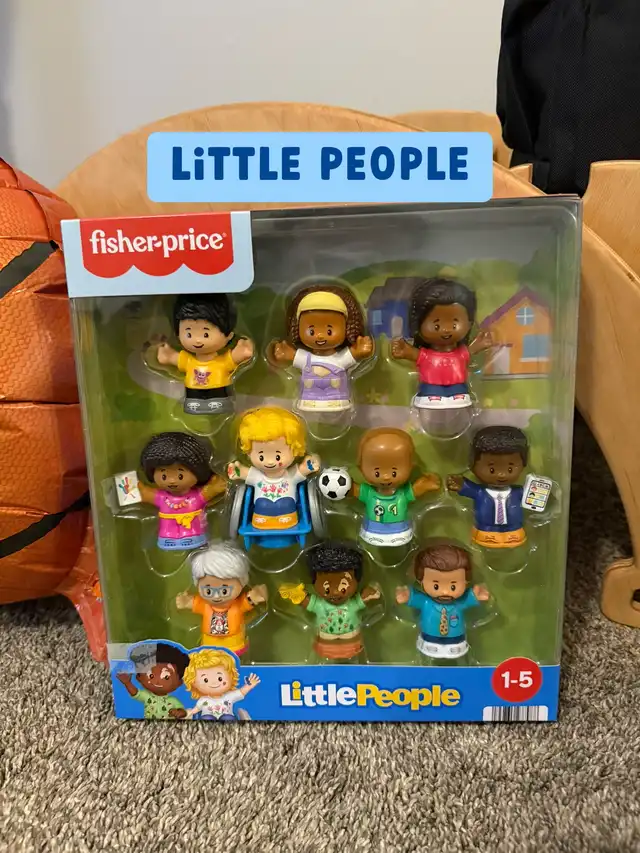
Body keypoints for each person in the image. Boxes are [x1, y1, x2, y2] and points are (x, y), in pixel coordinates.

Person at [390, 278, 492, 410]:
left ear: (469, 323)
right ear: (418, 325)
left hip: (458, 383)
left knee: (458, 389)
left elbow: (471, 350)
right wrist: (404, 350)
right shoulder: (426, 355)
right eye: (436, 326)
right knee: (432, 390)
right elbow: (414, 354)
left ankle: (457, 394)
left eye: (454, 325)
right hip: (431, 385)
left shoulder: (460, 353)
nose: (446, 330)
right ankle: (432, 395)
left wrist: (481, 344)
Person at [271, 282, 373, 412]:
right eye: (311, 331)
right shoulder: (307, 358)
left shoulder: (339, 359)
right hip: (309, 400)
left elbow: (351, 356)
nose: (320, 336)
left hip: (337, 400)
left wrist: (359, 351)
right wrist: (285, 353)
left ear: (346, 328)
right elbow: (293, 356)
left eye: (329, 331)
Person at [280, 540, 380, 660]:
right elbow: (307, 601)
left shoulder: (351, 604)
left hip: (351, 640)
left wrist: (371, 592)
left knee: (352, 654)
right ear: (314, 582)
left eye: (343, 587)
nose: (335, 592)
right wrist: (298, 596)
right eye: (327, 588)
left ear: (356, 580)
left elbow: (362, 599)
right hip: (326, 641)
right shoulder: (320, 605)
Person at [156, 293, 254, 414]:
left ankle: (217, 402)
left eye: (206, 334)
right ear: (178, 334)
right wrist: (167, 355)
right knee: (193, 400)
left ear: (228, 336)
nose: (197, 340)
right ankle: (194, 402)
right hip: (193, 392)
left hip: (218, 391)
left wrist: (243, 352)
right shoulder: (188, 361)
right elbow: (174, 358)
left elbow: (233, 358)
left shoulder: (222, 361)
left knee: (217, 399)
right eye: (189, 334)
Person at [228, 407, 320, 531]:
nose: (270, 462)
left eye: (278, 456)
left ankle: (286, 517)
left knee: (286, 503)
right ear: (248, 452)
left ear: (295, 449)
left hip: (288, 514)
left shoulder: (290, 475)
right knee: (262, 503)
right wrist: (236, 471)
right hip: (261, 515)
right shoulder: (257, 476)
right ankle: (263, 518)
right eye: (261, 457)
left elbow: (302, 469)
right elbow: (244, 473)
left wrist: (310, 464)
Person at [350, 427, 440, 547]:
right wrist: (344, 486)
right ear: (361, 468)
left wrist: (425, 485)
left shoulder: (402, 493)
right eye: (377, 473)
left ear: (411, 466)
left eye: (394, 473)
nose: (386, 477)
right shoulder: (369, 493)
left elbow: (415, 491)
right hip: (373, 529)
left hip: (400, 530)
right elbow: (354, 490)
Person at [396, 545, 489, 659]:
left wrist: (477, 595)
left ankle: (454, 644)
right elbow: (413, 597)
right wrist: (406, 595)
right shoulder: (425, 601)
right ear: (421, 580)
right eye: (436, 586)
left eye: (453, 587)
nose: (445, 592)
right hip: (429, 638)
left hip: (456, 638)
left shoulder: (460, 602)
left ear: (465, 581)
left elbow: (469, 598)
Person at [138, 432, 226, 551]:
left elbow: (208, 492)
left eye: (180, 476)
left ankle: (190, 537)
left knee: (190, 530)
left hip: (192, 529)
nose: (172, 481)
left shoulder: (195, 496)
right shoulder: (162, 497)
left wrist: (215, 486)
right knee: (167, 530)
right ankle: (168, 537)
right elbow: (145, 494)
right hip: (167, 528)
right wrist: (134, 490)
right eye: (164, 476)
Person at [175, 541, 267, 655]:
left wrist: (256, 596)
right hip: (209, 642)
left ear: (242, 582)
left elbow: (246, 602)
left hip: (234, 642)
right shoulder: (205, 605)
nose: (216, 596)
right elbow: (194, 603)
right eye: (209, 591)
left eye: (224, 591)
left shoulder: (236, 605)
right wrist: (185, 602)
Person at [447, 425, 529, 549]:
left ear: (523, 464)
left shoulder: (518, 492)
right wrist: (461, 484)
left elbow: (533, 496)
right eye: (492, 470)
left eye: (510, 469)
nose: (501, 475)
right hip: (485, 529)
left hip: (514, 528)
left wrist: (542, 494)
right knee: (487, 534)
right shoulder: (480, 492)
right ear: (473, 464)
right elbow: (470, 489)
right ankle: (489, 533)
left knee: (514, 532)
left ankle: (512, 533)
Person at [116, 641, 189, 719]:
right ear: (139, 677)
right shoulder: (147, 696)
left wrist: (179, 712)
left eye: (166, 677)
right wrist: (127, 683)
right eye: (151, 676)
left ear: (179, 682)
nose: (157, 681)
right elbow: (135, 693)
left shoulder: (173, 700)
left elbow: (183, 711)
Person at [182, 648, 260, 721]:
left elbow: (241, 692)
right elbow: (195, 710)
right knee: (207, 718)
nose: (214, 683)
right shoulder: (203, 700)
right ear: (194, 684)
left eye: (220, 678)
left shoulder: (229, 696)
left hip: (228, 723)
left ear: (231, 677)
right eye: (206, 680)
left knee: (227, 718)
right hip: (208, 724)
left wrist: (249, 686)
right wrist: (188, 713)